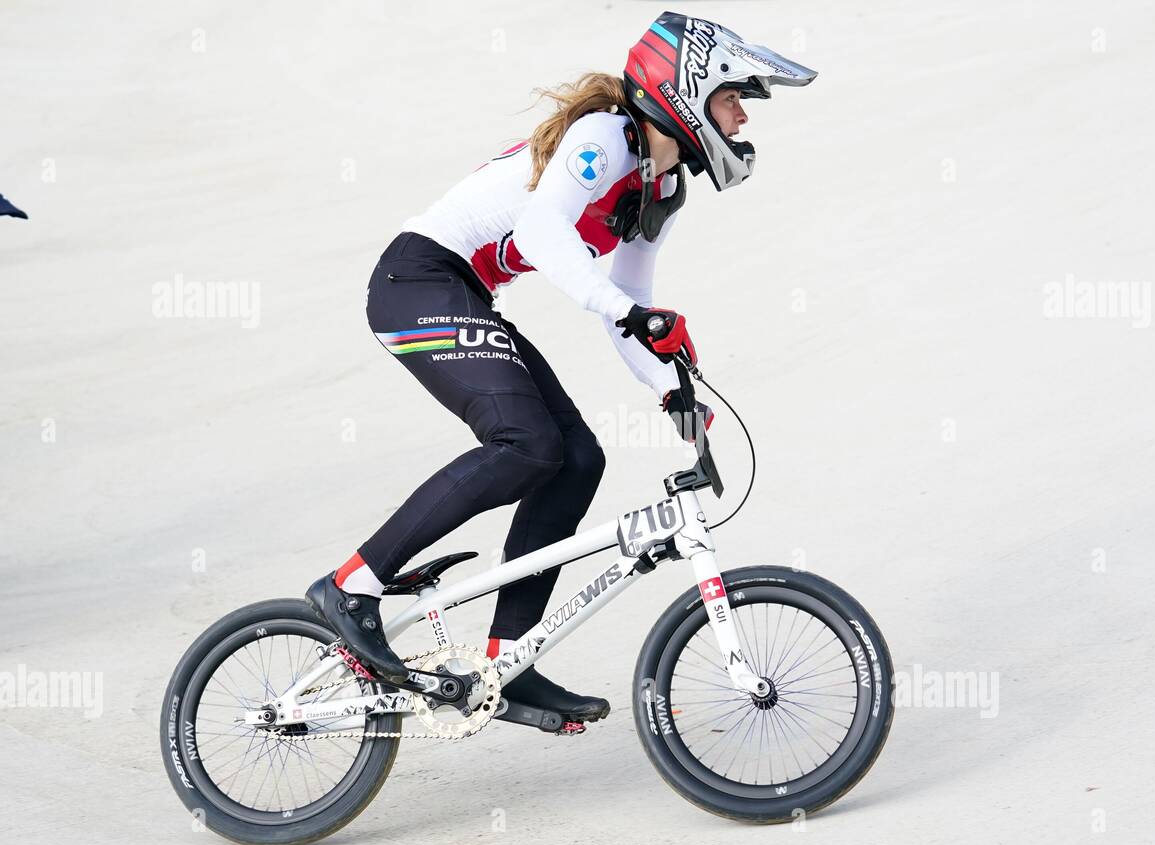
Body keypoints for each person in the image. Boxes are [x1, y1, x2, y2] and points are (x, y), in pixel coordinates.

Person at [307, 11, 816, 725]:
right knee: (526, 445)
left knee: (578, 460)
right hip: (416, 282)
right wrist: (632, 316)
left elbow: (630, 300)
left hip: (465, 295)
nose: (740, 119)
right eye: (734, 98)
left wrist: (671, 388)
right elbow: (544, 233)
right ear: (686, 90)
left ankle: (507, 663)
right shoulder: (605, 135)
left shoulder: (660, 189)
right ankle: (351, 584)